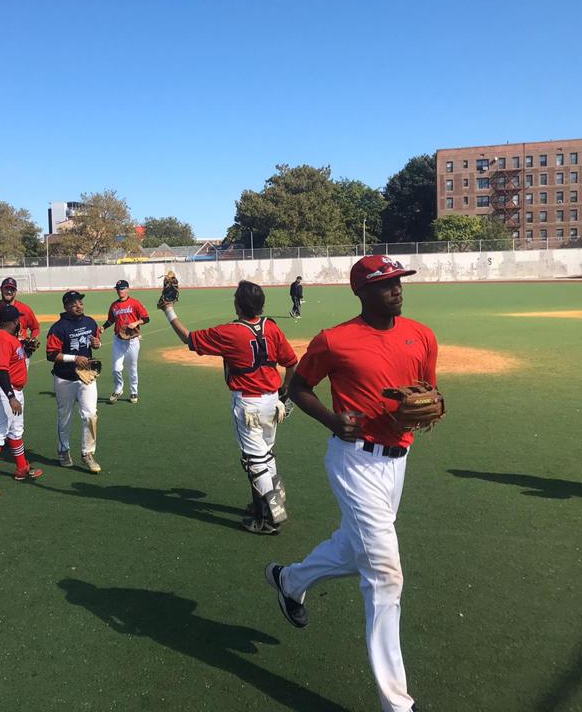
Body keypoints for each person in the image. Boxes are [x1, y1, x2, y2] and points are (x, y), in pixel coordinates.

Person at [265, 256, 438, 712]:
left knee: (352, 548)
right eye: (384, 284)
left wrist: (432, 405)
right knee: (384, 574)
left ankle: (289, 580)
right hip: (354, 462)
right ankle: (396, 703)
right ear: (360, 292)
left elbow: (427, 393)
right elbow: (298, 387)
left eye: (398, 282)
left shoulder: (421, 334)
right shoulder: (335, 340)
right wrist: (331, 420)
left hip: (398, 461)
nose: (396, 290)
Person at [159, 280, 298, 534]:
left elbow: (189, 339)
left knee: (255, 462)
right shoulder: (272, 328)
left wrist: (168, 309)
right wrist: (284, 395)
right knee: (267, 453)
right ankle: (272, 499)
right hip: (271, 400)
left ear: (238, 304)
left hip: (248, 403)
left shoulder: (230, 332)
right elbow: (292, 363)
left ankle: (268, 518)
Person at [0, 304, 43, 496]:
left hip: (13, 390)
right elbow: (1, 370)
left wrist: (26, 349)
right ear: (16, 322)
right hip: (2, 389)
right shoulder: (0, 338)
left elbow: (12, 361)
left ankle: (22, 468)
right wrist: (10, 397)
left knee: (16, 430)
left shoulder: (7, 338)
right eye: (19, 321)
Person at [46, 290, 102, 473]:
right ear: (66, 307)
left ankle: (88, 453)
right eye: (74, 304)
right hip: (64, 379)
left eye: (80, 303)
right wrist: (74, 358)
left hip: (87, 376)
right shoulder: (58, 328)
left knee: (90, 415)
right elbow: (51, 354)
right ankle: (63, 450)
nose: (78, 306)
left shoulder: (90, 322)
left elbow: (95, 341)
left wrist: (96, 344)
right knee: (65, 417)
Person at [101, 279, 150, 404]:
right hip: (118, 341)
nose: (120, 291)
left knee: (132, 368)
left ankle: (134, 391)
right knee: (116, 368)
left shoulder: (135, 303)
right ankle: (118, 389)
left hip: (132, 341)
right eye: (118, 289)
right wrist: (103, 327)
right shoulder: (114, 305)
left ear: (127, 289)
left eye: (122, 288)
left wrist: (136, 323)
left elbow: (146, 318)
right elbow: (111, 320)